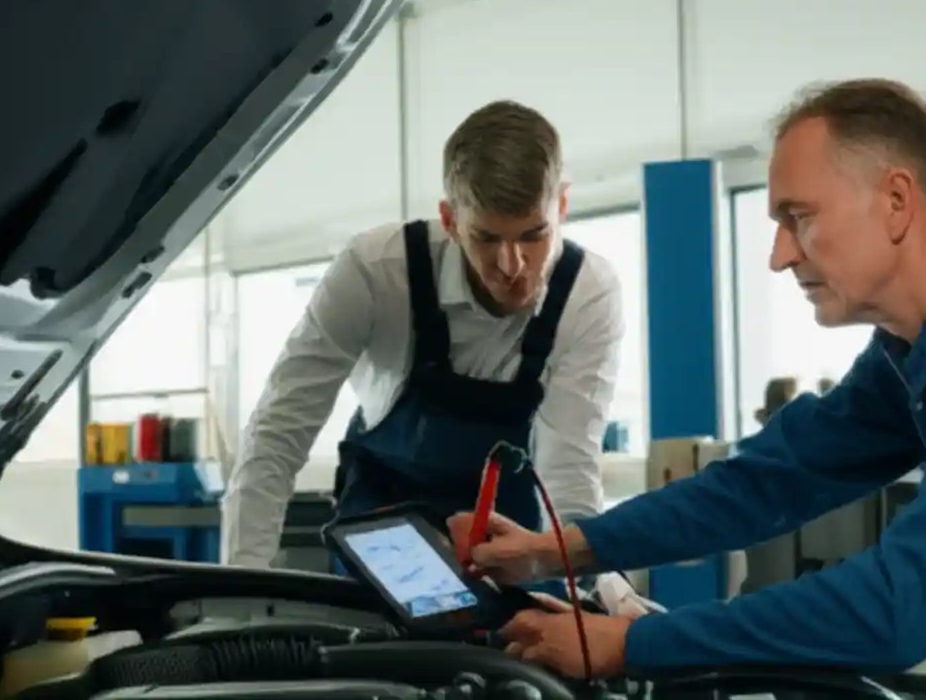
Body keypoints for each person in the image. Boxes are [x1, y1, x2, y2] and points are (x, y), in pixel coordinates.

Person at [449, 79, 926, 698]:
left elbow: (902, 605)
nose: (779, 254)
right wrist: (553, 553)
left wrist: (632, 643)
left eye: (799, 217)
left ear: (897, 201)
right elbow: (764, 482)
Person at [221, 99, 625, 573]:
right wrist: (242, 589)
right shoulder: (376, 272)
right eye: (488, 238)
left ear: (561, 205)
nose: (512, 266)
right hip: (387, 527)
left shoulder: (587, 294)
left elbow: (569, 469)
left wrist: (596, 599)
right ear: (451, 220)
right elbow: (278, 433)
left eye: (534, 235)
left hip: (510, 538)